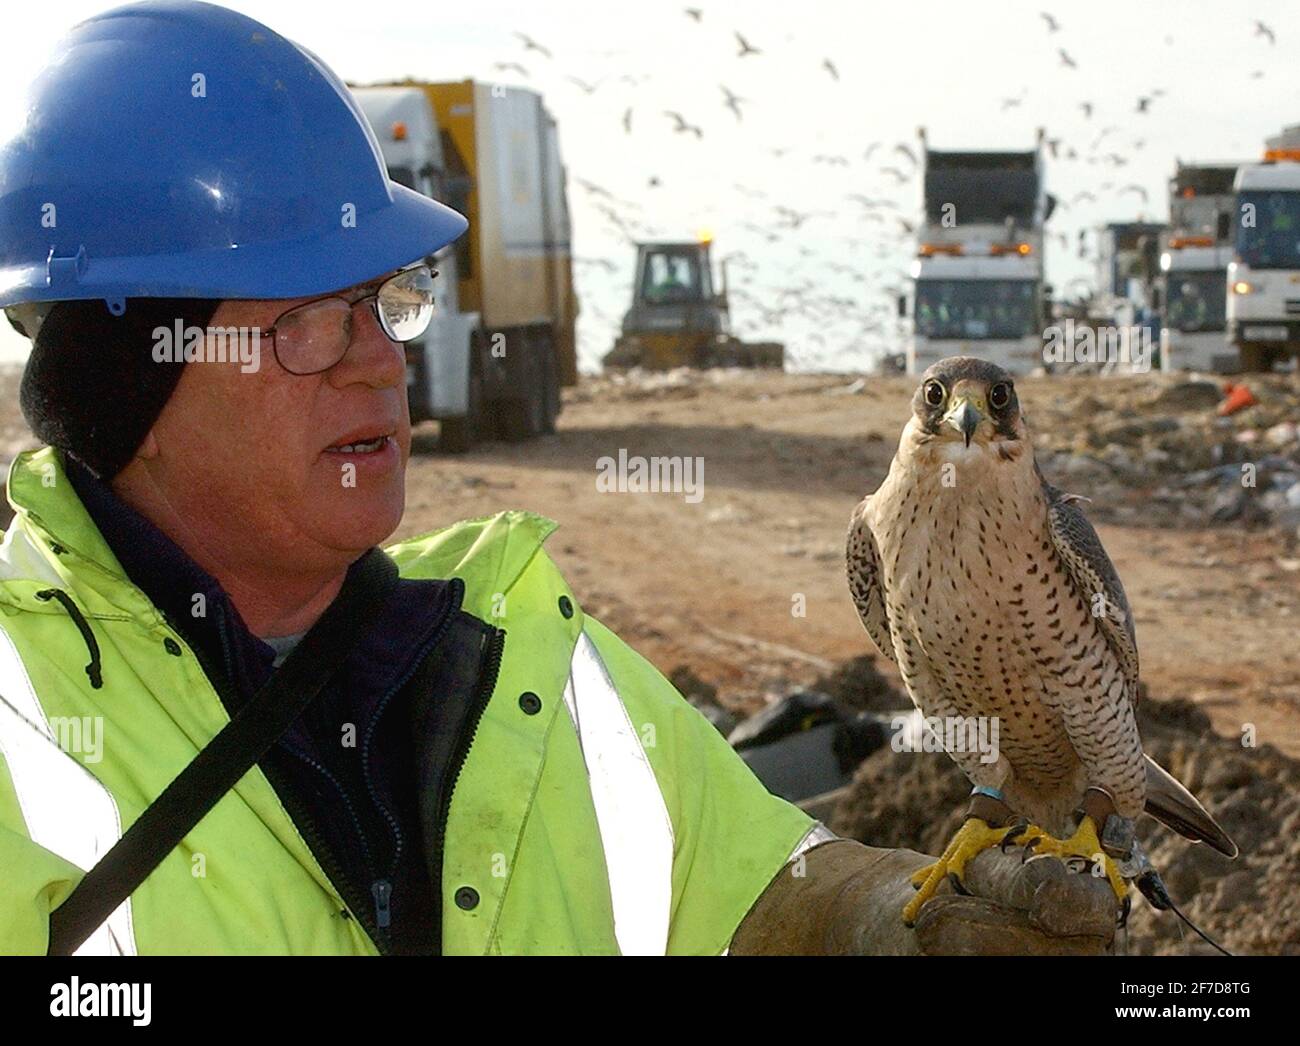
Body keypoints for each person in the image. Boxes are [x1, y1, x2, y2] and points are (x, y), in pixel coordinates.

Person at [0, 0, 1115, 956]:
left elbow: (753, 885)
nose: (382, 358)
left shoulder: (529, 651)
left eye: (384, 302)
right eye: (304, 320)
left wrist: (878, 918)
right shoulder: (20, 714)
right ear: (127, 382)